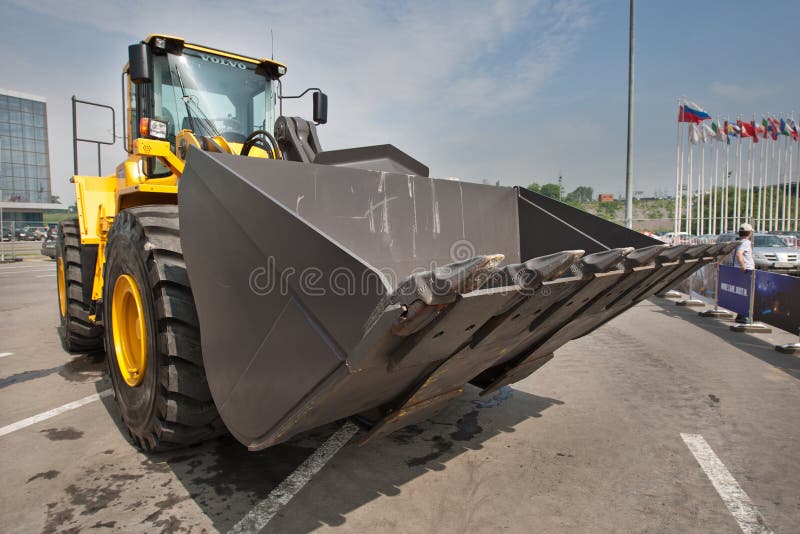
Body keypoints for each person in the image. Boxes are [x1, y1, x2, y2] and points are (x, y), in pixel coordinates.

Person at [734, 222, 755, 324]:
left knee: (742, 293)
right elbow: (739, 254)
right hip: (746, 271)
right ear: (750, 233)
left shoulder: (738, 241)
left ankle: (740, 315)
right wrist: (744, 267)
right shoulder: (746, 242)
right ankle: (743, 316)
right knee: (747, 294)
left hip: (739, 271)